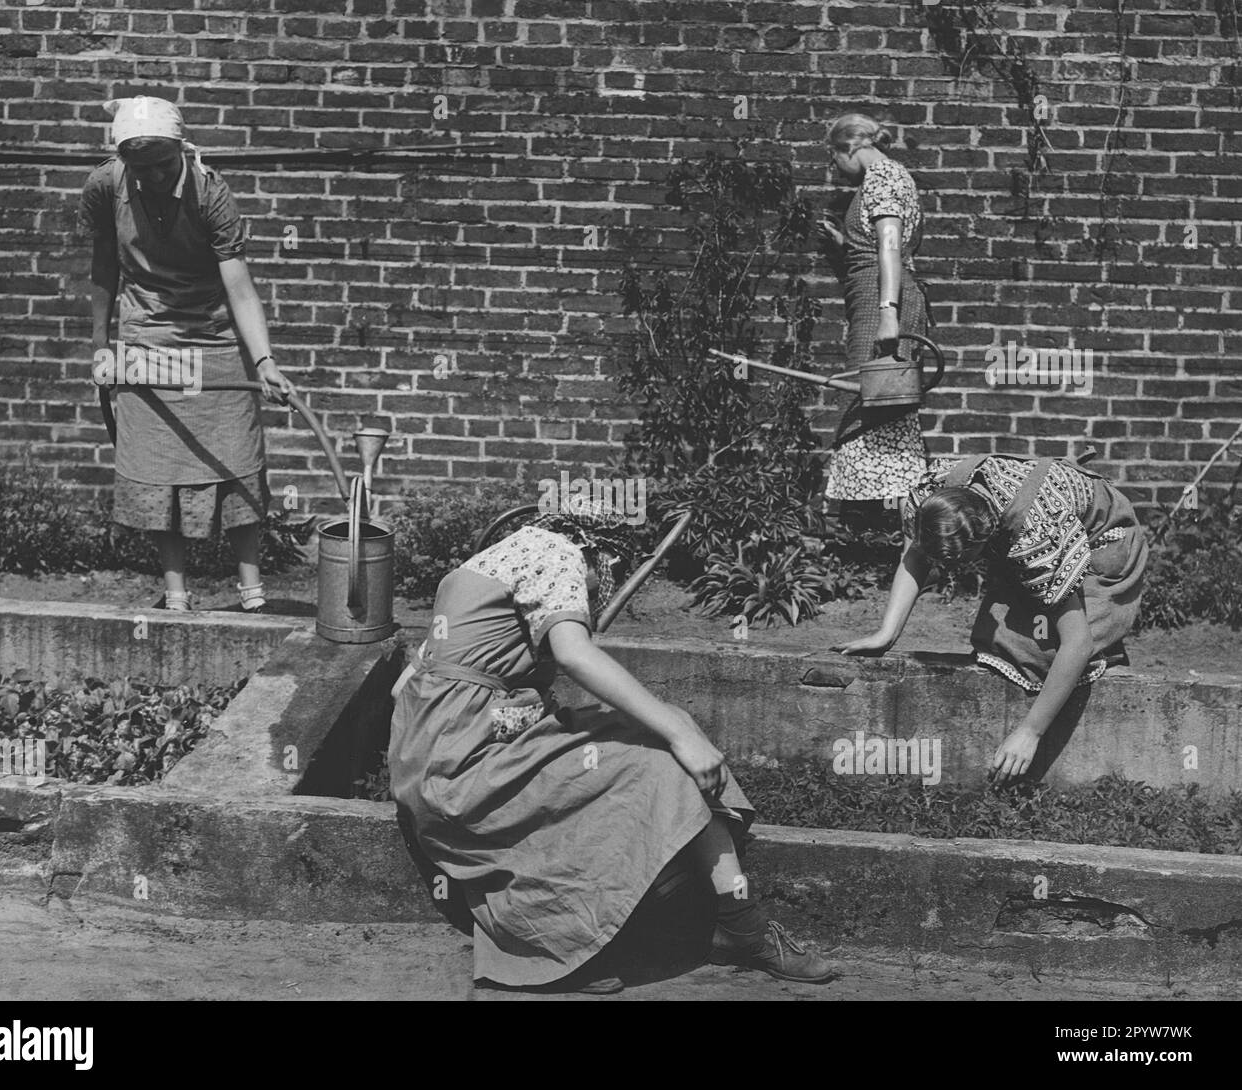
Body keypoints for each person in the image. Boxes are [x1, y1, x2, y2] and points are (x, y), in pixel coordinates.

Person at [388, 497, 837, 993]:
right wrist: (680, 733)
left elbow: (408, 683)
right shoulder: (558, 553)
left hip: (432, 758)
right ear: (596, 547)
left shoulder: (483, 565)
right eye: (612, 566)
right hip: (465, 768)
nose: (607, 579)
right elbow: (576, 655)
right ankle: (735, 926)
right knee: (665, 755)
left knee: (658, 731)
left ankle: (733, 923)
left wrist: (518, 713)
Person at [79, 95, 295, 613]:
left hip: (214, 335)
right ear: (122, 160)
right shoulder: (105, 185)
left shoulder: (210, 192)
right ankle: (176, 595)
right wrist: (101, 347)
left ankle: (252, 592)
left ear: (181, 148)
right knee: (159, 465)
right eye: (141, 167)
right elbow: (104, 267)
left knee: (234, 457)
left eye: (162, 164)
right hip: (148, 332)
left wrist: (263, 360)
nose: (152, 176)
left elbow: (240, 287)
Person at [833, 452, 1147, 784]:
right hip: (1029, 524)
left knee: (1048, 653)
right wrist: (887, 632)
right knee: (998, 641)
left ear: (984, 543)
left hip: (1103, 538)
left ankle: (1111, 658)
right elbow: (915, 556)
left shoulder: (1037, 534)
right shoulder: (931, 495)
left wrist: (1030, 732)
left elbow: (1077, 643)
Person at [817, 112, 933, 516]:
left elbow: (889, 245)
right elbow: (877, 240)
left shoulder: (882, 175)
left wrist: (888, 313)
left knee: (878, 399)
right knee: (877, 399)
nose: (836, 169)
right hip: (878, 296)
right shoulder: (888, 178)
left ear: (848, 147)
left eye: (833, 159)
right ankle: (878, 509)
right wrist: (846, 243)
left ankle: (885, 511)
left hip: (884, 301)